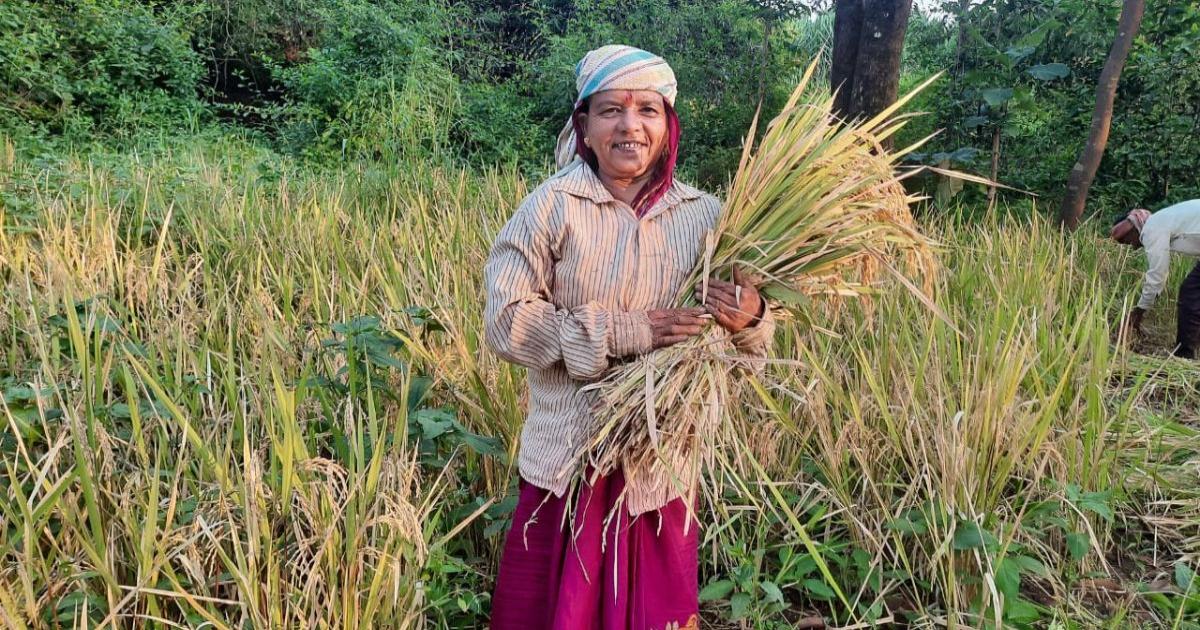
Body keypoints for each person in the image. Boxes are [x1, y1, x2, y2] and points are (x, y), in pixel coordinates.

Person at [483, 45, 775, 630]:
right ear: (584, 126)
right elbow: (505, 322)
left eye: (648, 110)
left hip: (660, 463)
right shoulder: (551, 207)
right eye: (611, 110)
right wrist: (626, 330)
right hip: (568, 459)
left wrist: (752, 317)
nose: (630, 126)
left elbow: (756, 349)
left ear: (668, 127)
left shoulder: (709, 217)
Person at [1110, 199, 1200, 357]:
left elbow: (1158, 275)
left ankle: (1184, 356)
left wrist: (1139, 311)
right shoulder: (1164, 219)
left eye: (1126, 241)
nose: (1131, 246)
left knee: (1189, 293)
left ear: (1133, 227)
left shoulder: (1152, 227)